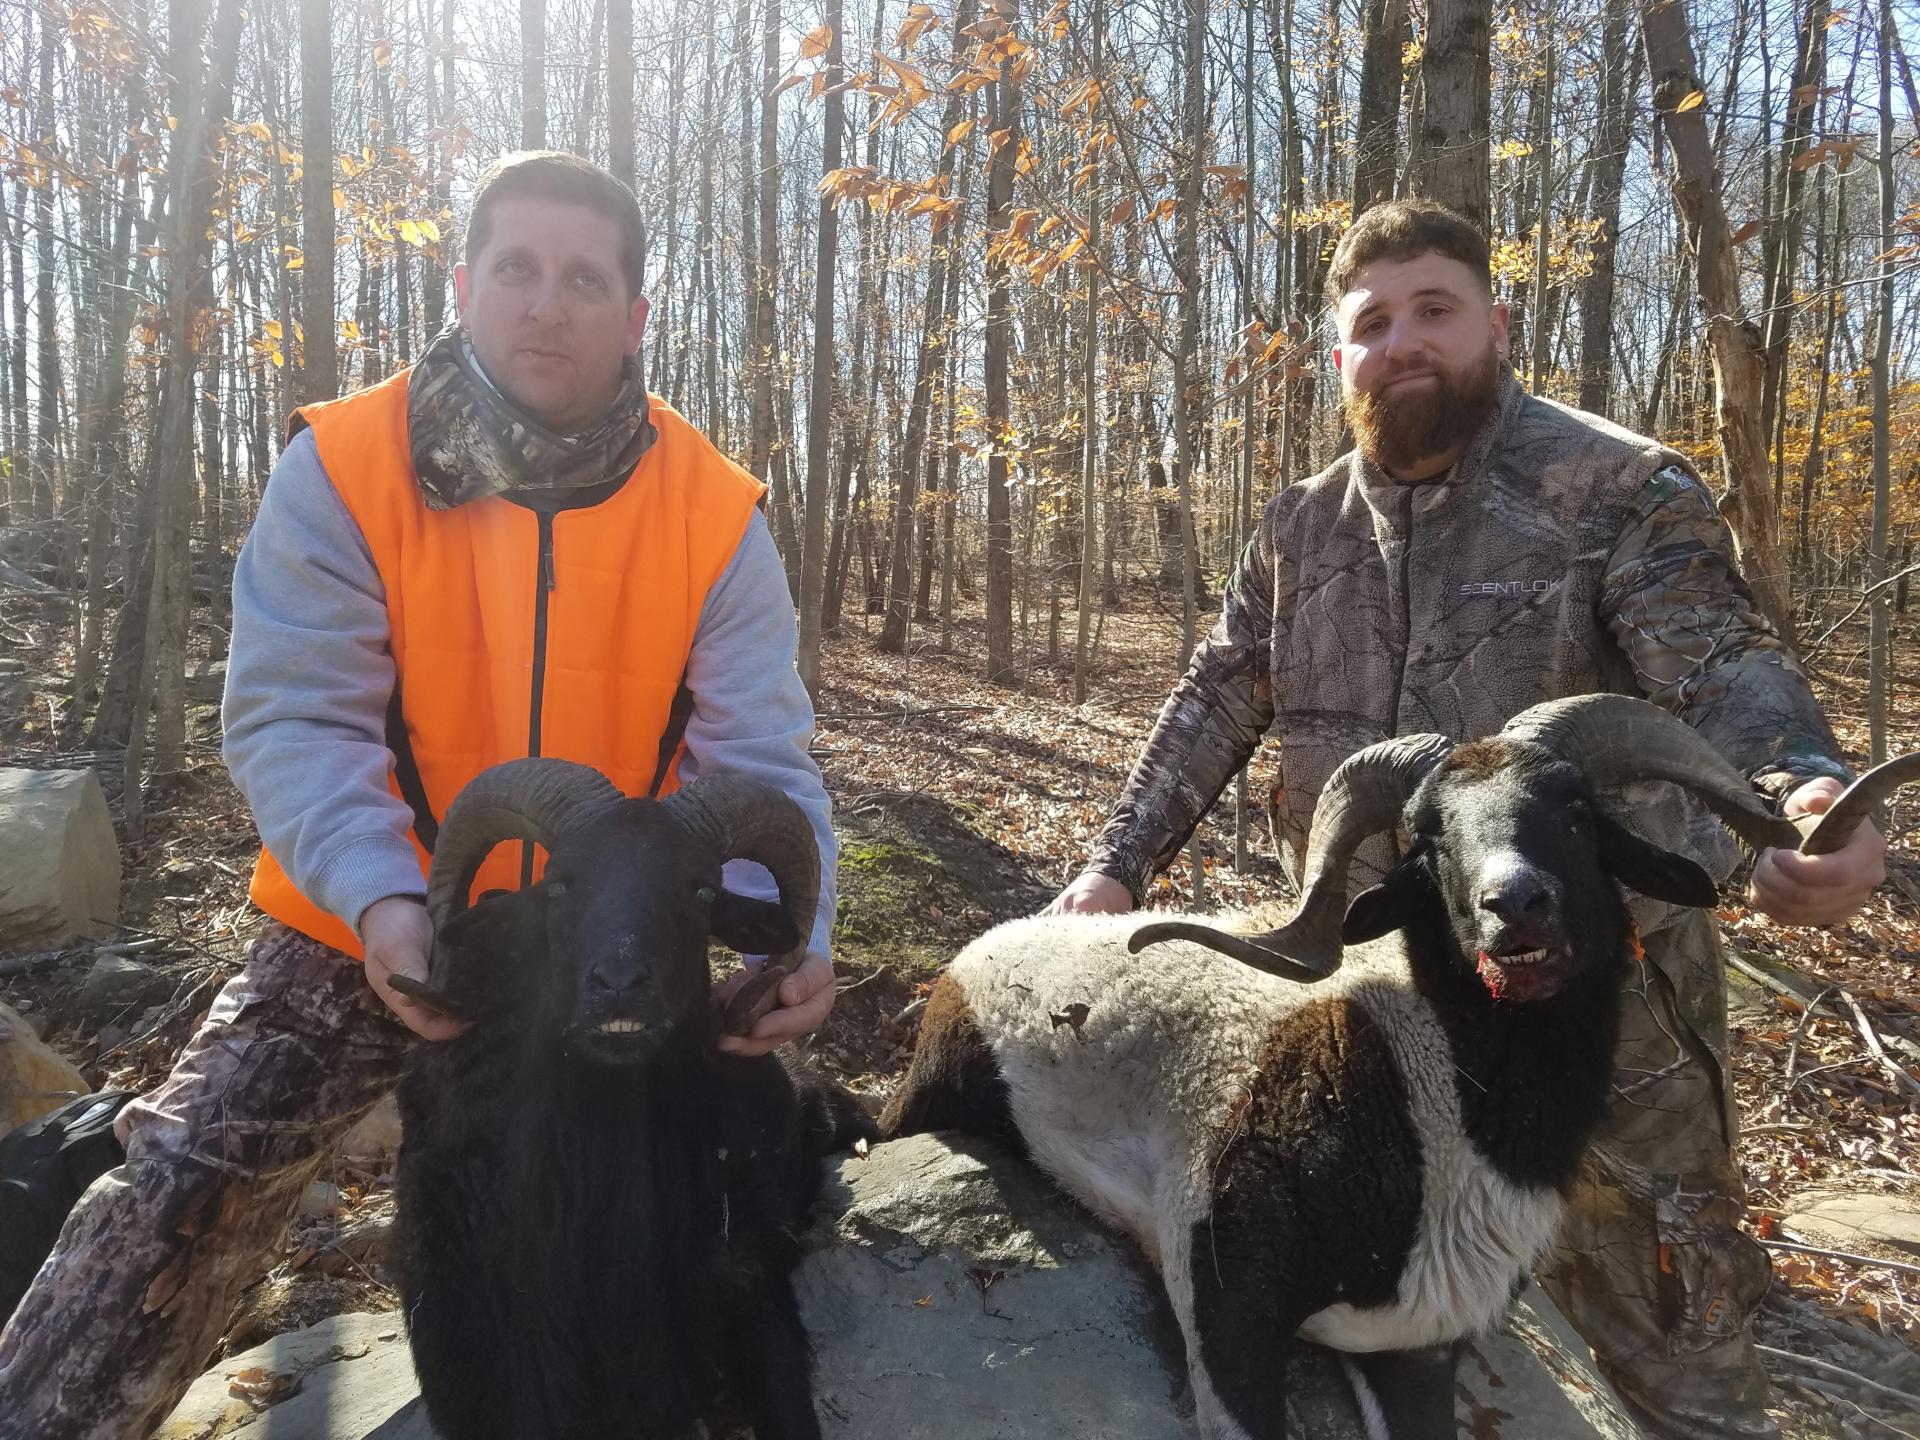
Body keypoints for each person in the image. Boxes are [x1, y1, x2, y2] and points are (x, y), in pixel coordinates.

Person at [0, 150, 838, 1439]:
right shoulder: (342, 466)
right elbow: (296, 717)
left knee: (724, 1196)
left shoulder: (713, 511)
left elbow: (761, 762)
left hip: (619, 937)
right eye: (515, 268)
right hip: (375, 928)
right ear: (462, 284)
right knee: (176, 1190)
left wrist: (801, 941)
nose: (545, 303)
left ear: (635, 315)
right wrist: (385, 898)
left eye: (582, 277)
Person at [1049, 199, 1886, 1440]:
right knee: (1423, 1337)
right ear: (1340, 355)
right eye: (1370, 323)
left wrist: (1800, 790)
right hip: (1380, 1017)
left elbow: (1723, 666)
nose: (1403, 343)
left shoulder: (1618, 488)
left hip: (1607, 1020)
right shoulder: (1298, 527)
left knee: (1671, 1346)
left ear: (1496, 320)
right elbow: (1216, 696)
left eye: (1433, 310)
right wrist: (1115, 869)